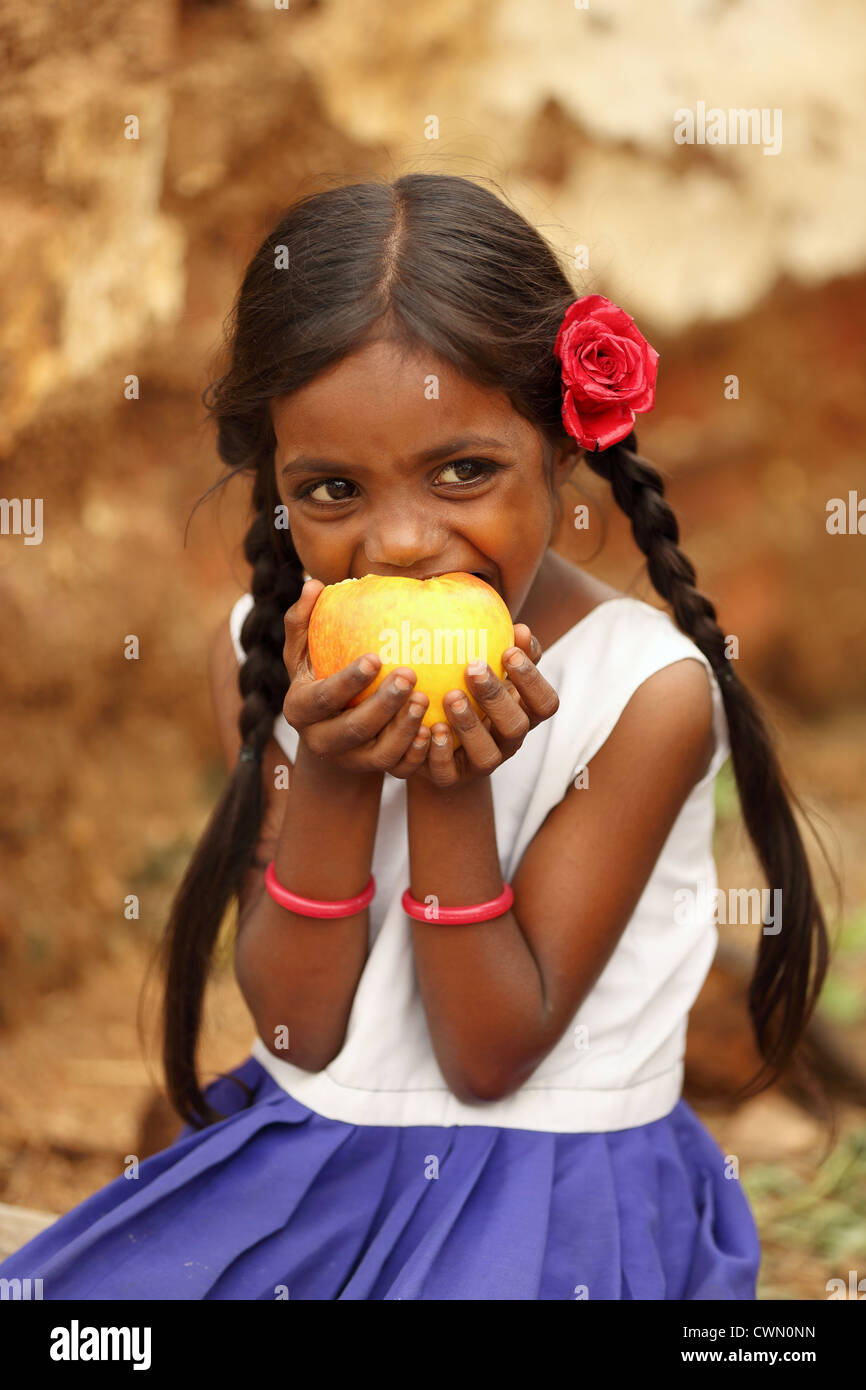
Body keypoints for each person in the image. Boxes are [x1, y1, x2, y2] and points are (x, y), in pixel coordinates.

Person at [0, 173, 831, 1300]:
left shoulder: (645, 691)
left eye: (462, 471)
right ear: (277, 489)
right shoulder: (265, 650)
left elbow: (487, 1057)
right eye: (332, 487)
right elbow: (296, 1027)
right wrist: (334, 775)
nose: (397, 541)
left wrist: (447, 781)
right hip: (325, 1163)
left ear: (560, 447)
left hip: (549, 1200)